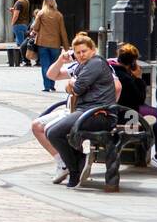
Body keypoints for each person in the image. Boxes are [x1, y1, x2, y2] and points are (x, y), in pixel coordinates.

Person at [43, 33, 120, 188]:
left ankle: (75, 169)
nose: (81, 55)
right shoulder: (81, 66)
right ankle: (78, 162)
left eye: (84, 51)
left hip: (98, 114)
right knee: (52, 131)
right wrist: (72, 83)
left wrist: (72, 83)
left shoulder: (95, 63)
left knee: (53, 132)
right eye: (77, 52)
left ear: (93, 50)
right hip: (86, 111)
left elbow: (77, 88)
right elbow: (55, 78)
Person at [110, 44, 157, 173]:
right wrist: (138, 78)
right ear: (133, 62)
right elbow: (139, 98)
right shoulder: (125, 78)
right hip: (127, 113)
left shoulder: (113, 69)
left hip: (120, 110)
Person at [30, 0, 70, 93]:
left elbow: (35, 27)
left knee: (45, 64)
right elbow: (63, 31)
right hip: (55, 44)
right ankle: (52, 85)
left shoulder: (41, 13)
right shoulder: (59, 15)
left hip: (42, 43)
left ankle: (47, 86)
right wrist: (66, 46)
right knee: (54, 65)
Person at [10, 0, 32, 67]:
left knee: (20, 44)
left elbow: (16, 15)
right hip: (25, 24)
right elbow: (22, 12)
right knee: (22, 43)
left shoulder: (18, 2)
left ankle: (24, 60)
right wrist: (14, 10)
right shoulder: (26, 1)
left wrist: (12, 23)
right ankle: (19, 59)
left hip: (18, 24)